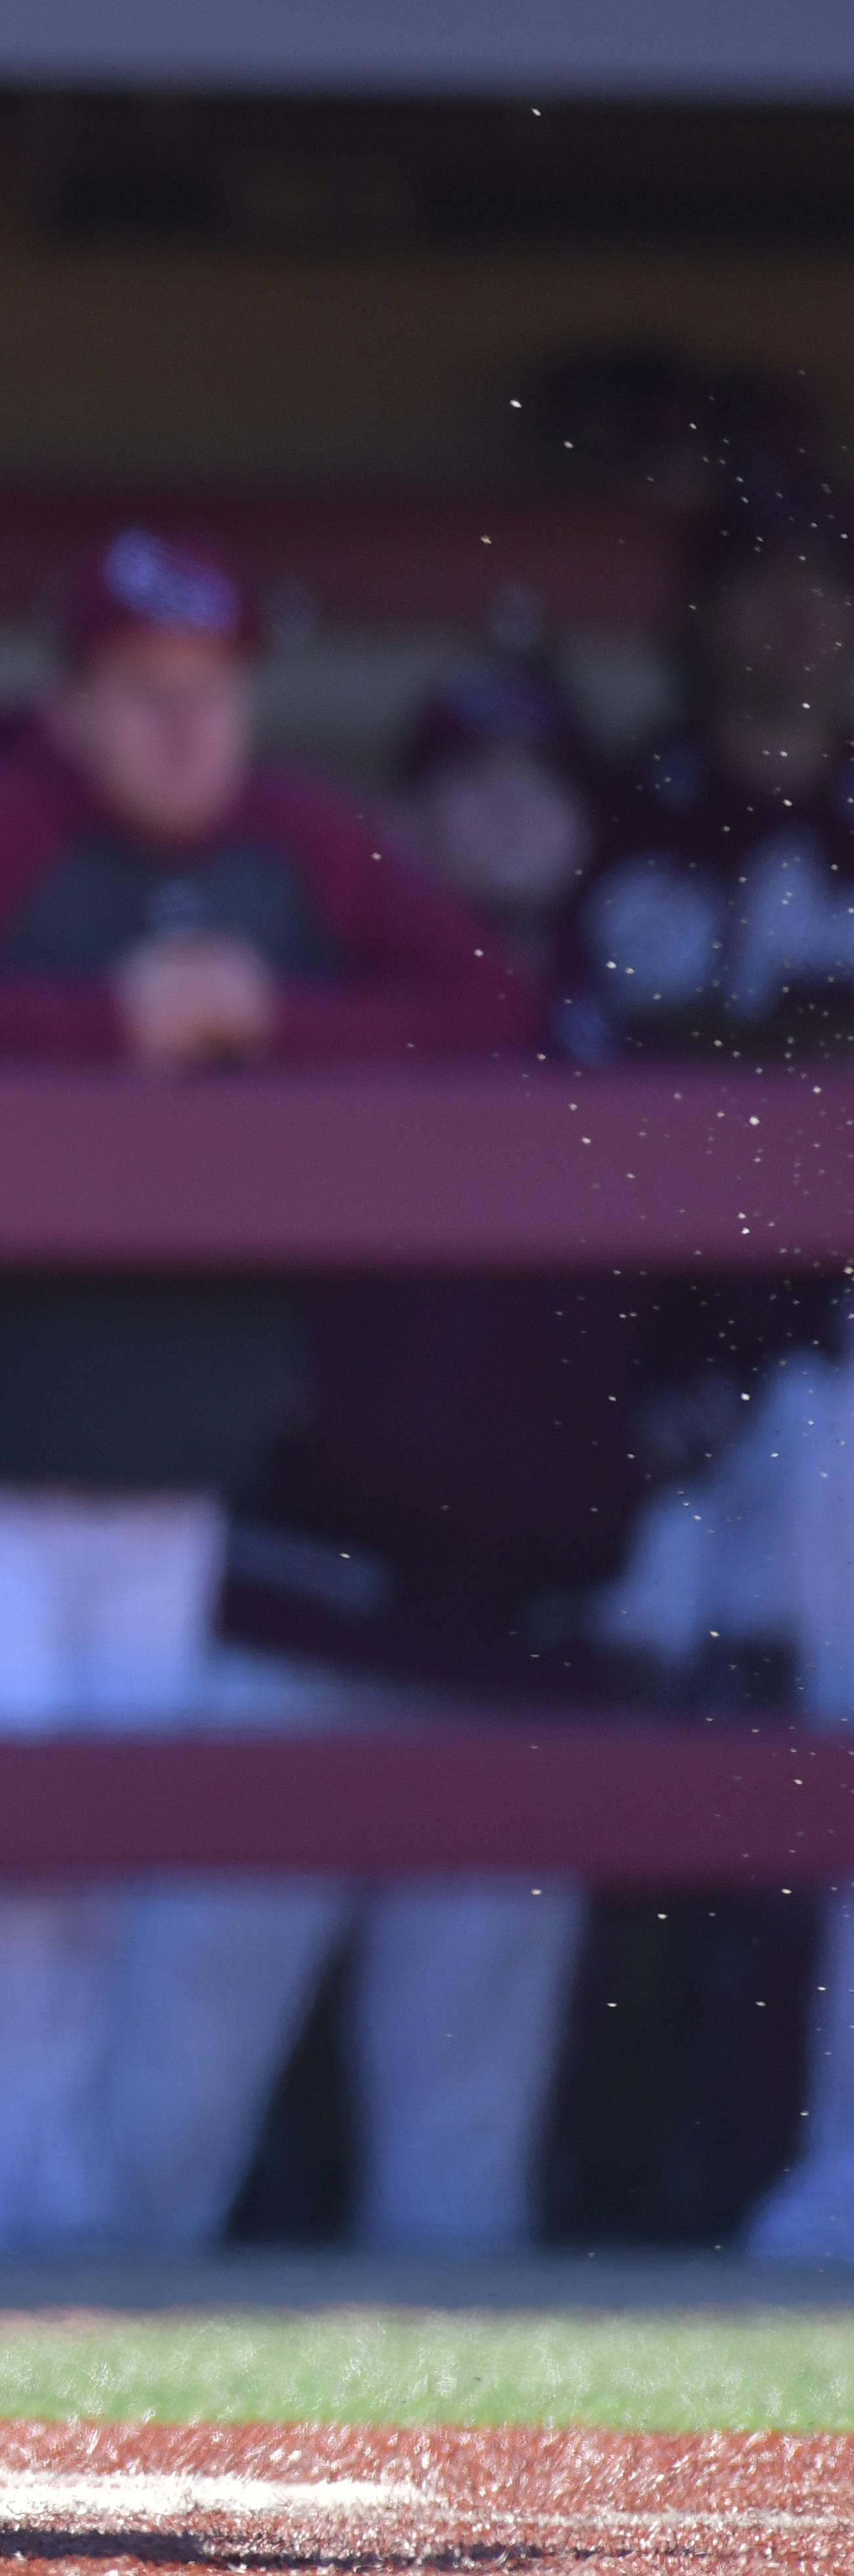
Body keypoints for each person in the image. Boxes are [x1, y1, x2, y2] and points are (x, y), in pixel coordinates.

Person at [0, 527, 538, 2253]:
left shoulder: (296, 844)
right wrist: (94, 1019)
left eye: (212, 696)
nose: (184, 734)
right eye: (143, 697)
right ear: (75, 703)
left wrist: (263, 1018)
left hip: (163, 1458)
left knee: (101, 1882)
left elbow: (492, 1010)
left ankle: (36, 2277)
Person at [93, 649, 629, 2255]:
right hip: (292, 1611)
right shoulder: (309, 998)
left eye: (537, 785)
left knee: (461, 2159)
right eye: (465, 782)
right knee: (159, 2110)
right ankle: (26, 2469)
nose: (504, 817)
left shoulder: (643, 1040)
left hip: (519, 1641)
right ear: (410, 818)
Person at [561, 480, 854, 2259]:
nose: (795, 626)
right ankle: (634, 2188)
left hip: (840, 1381)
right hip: (647, 1400)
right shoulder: (623, 814)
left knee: (827, 1795)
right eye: (763, 588)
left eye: (827, 589)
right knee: (633, 1804)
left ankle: (820, 2179)